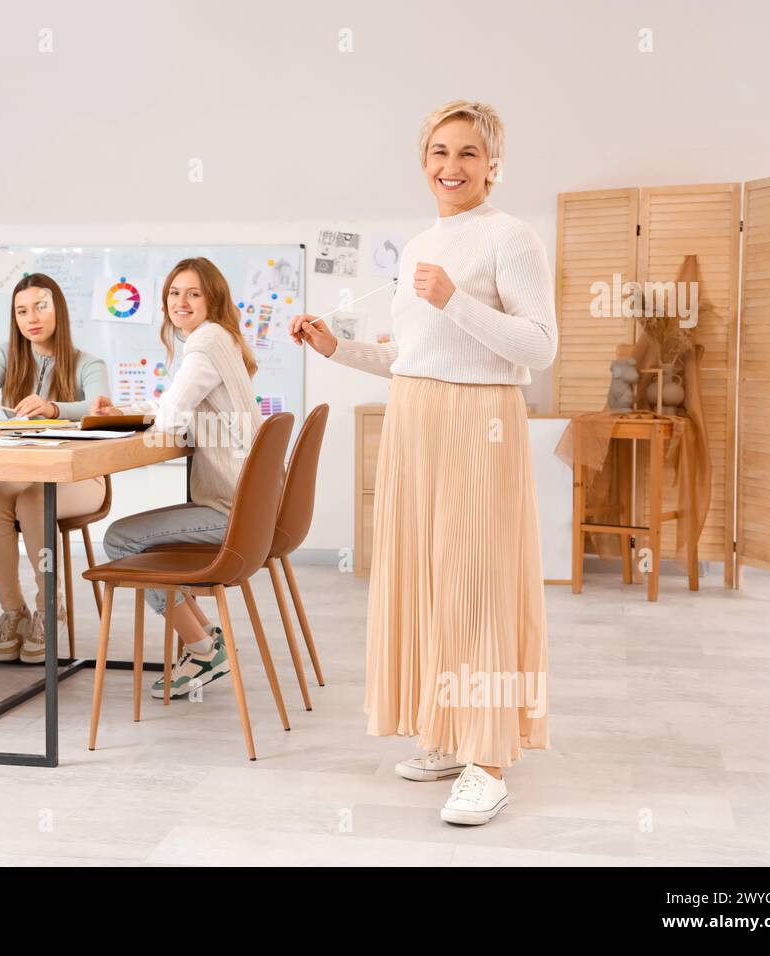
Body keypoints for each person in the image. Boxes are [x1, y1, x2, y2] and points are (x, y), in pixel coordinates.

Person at [291, 100, 555, 825]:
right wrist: (335, 348)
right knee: (426, 580)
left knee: (479, 583)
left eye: (469, 153)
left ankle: (490, 757)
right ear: (423, 162)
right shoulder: (415, 249)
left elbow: (539, 346)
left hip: (481, 425)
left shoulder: (512, 238)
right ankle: (447, 731)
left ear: (493, 164)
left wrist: (456, 301)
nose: (452, 166)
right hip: (415, 417)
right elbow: (414, 357)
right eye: (440, 152)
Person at [91, 257, 261, 699]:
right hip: (251, 508)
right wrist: (131, 414)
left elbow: (170, 417)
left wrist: (143, 418)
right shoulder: (221, 340)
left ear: (213, 301)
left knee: (121, 541)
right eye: (173, 293)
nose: (180, 302)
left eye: (193, 294)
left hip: (229, 513)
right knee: (132, 539)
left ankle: (202, 648)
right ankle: (206, 642)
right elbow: (179, 411)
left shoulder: (204, 343)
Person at [0, 273, 109, 664]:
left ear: (58, 309)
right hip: (21, 470)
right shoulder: (5, 356)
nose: (32, 317)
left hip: (81, 477)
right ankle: (14, 611)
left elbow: (98, 408)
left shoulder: (88, 364)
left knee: (33, 501)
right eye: (22, 310)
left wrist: (54, 409)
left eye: (40, 307)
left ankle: (50, 608)